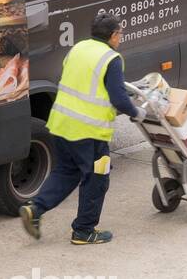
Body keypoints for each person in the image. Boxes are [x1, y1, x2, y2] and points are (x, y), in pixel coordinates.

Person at [19, 12, 144, 245]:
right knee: (97, 178)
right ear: (113, 35)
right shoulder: (111, 58)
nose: (121, 38)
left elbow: (86, 82)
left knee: (67, 172)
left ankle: (35, 209)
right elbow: (117, 98)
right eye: (120, 34)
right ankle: (84, 230)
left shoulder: (77, 49)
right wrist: (138, 113)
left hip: (61, 124)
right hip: (89, 132)